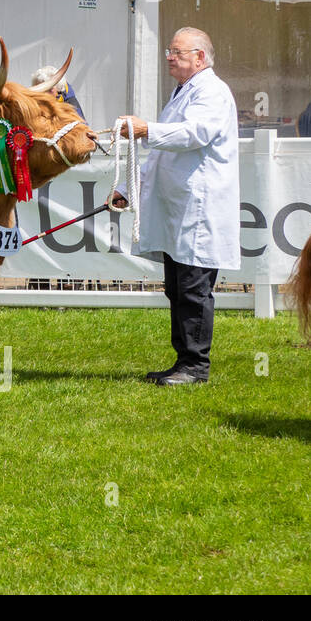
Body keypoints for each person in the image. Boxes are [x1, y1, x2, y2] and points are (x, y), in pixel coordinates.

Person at [113, 27, 239, 386]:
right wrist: (127, 188)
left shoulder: (212, 92)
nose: (170, 56)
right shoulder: (182, 92)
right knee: (177, 287)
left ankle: (196, 367)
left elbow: (194, 133)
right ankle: (183, 361)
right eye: (169, 51)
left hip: (199, 209)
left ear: (200, 57)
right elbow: (161, 151)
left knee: (194, 289)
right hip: (178, 209)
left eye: (178, 52)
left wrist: (145, 129)